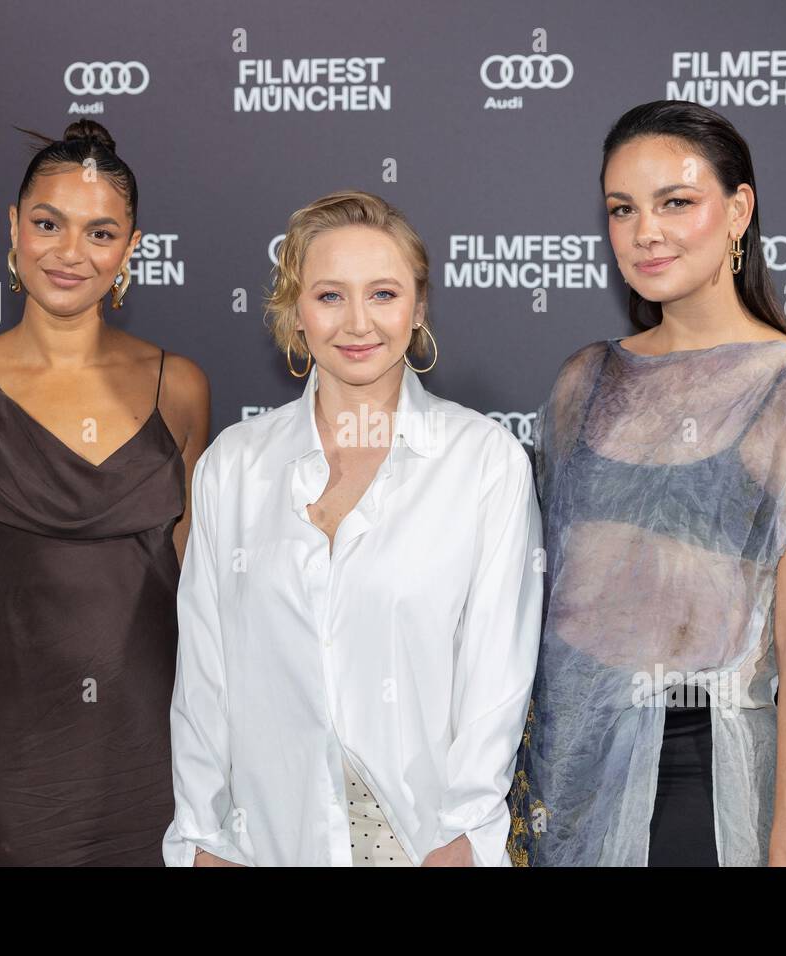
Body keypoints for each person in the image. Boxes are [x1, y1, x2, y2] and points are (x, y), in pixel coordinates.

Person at [507, 101, 786, 867]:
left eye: (676, 202)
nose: (647, 231)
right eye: (622, 209)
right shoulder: (584, 379)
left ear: (738, 210)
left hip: (698, 778)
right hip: (561, 765)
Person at [163, 190, 542, 867]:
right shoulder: (234, 468)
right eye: (331, 296)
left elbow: (498, 675)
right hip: (269, 843)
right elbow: (204, 678)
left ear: (418, 307)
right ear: (295, 313)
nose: (358, 323)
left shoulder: (483, 462)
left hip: (423, 844)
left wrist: (467, 832)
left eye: (385, 294)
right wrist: (201, 835)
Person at [0, 119, 209, 865]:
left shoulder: (181, 389)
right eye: (48, 224)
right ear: (14, 227)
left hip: (160, 769)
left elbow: (201, 605)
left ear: (131, 250)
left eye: (100, 233)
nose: (71, 253)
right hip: (16, 772)